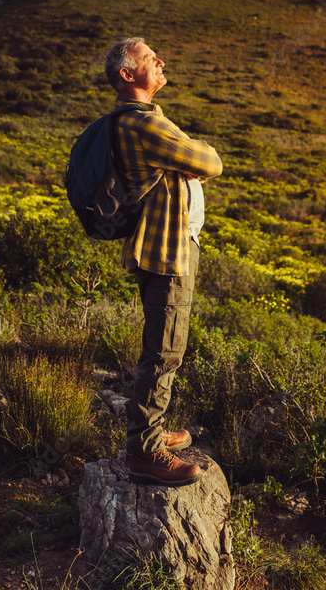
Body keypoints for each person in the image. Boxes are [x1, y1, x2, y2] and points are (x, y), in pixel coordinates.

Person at [104, 38, 222, 486]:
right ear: (128, 75)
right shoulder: (138, 123)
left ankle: (149, 433)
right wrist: (191, 155)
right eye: (151, 58)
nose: (162, 61)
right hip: (166, 250)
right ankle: (145, 453)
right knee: (165, 349)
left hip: (167, 242)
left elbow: (189, 161)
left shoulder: (144, 121)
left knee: (163, 345)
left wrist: (181, 159)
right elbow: (209, 161)